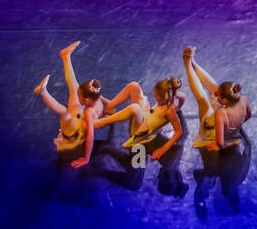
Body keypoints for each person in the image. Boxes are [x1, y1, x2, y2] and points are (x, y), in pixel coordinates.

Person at [33, 41, 106, 169]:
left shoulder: (89, 112)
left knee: (64, 112)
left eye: (80, 95)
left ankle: (43, 92)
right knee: (74, 86)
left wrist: (86, 158)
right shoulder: (97, 97)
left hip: (74, 134)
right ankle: (65, 56)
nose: (77, 95)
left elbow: (90, 136)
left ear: (87, 100)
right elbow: (109, 104)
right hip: (79, 115)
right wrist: (111, 110)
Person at [96, 75, 186, 160]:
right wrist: (177, 103)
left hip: (143, 130)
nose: (155, 96)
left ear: (164, 97)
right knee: (134, 86)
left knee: (135, 108)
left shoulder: (169, 111)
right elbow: (183, 96)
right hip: (146, 115)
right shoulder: (169, 98)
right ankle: (109, 107)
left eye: (157, 95)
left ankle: (100, 123)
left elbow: (179, 132)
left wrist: (162, 150)